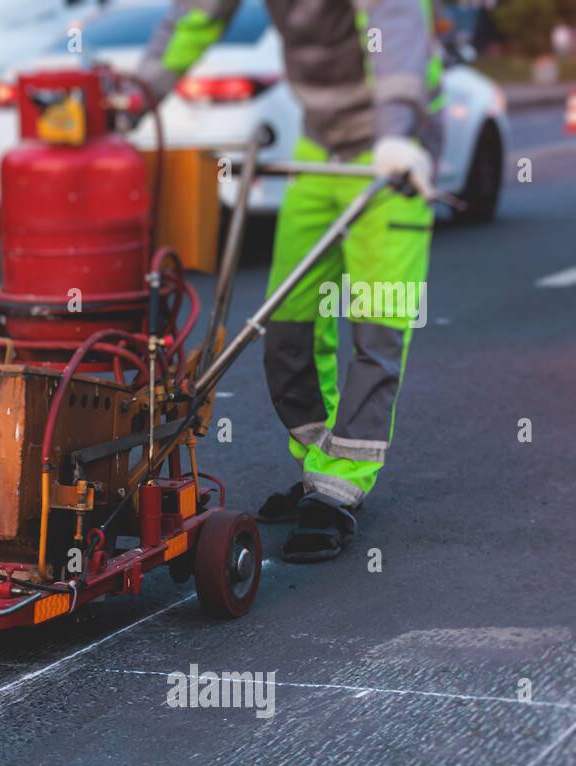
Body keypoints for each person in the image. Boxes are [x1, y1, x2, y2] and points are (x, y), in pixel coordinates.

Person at [138, 0, 442, 563]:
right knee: (287, 326)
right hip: (320, 147)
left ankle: (338, 488)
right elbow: (198, 15)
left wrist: (398, 131)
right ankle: (317, 464)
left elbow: (397, 30)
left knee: (377, 324)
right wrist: (137, 93)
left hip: (393, 150)